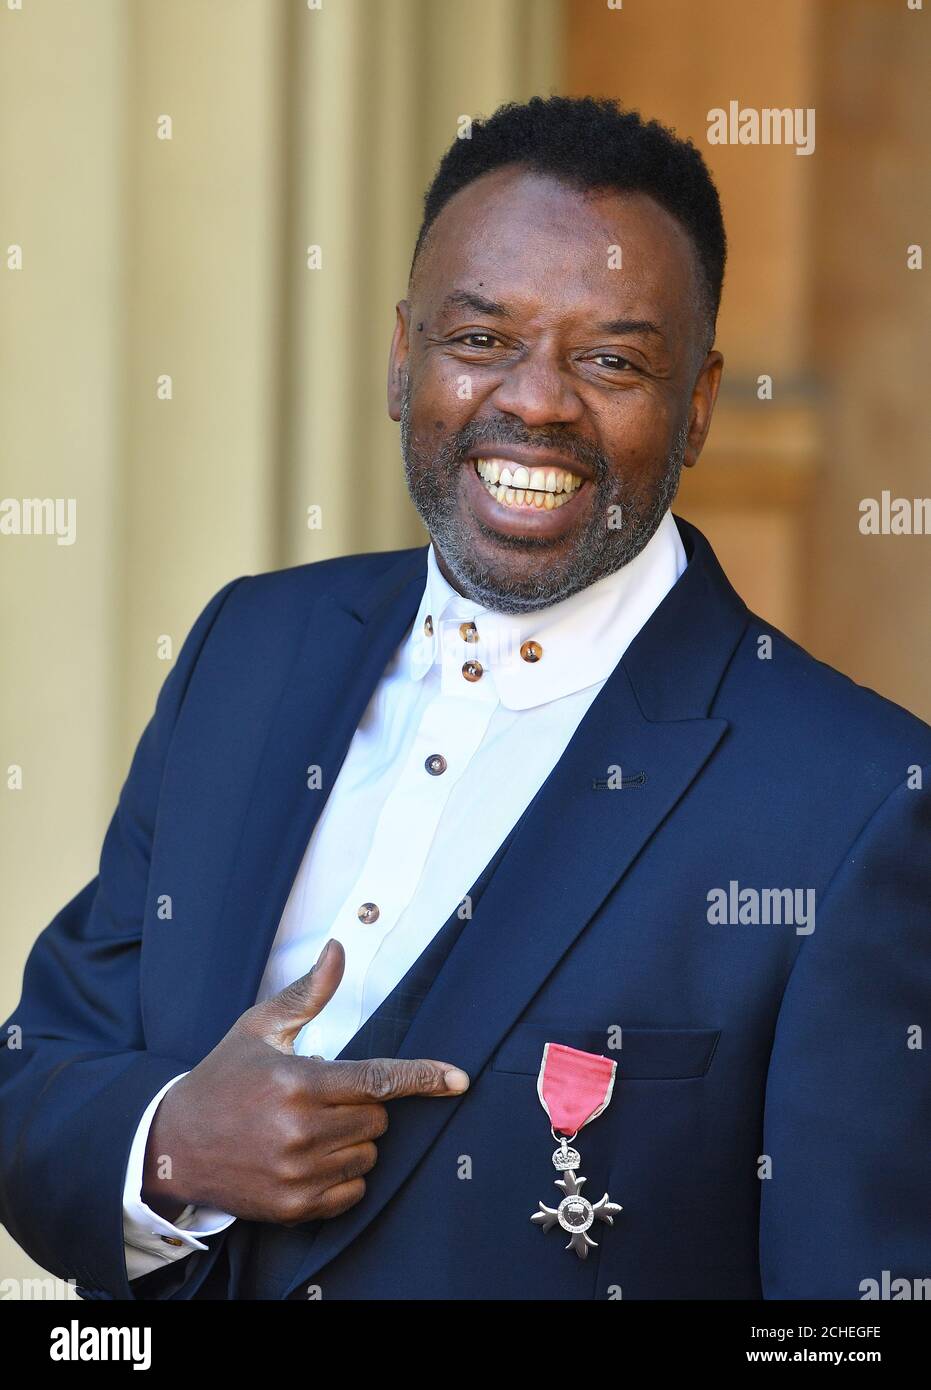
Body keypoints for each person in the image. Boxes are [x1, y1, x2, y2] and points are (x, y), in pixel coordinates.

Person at [1, 96, 929, 1302]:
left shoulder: (854, 800)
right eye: (481, 339)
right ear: (403, 360)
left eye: (610, 359)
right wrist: (169, 1141)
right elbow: (39, 1075)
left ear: (694, 406)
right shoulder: (250, 645)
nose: (536, 401)